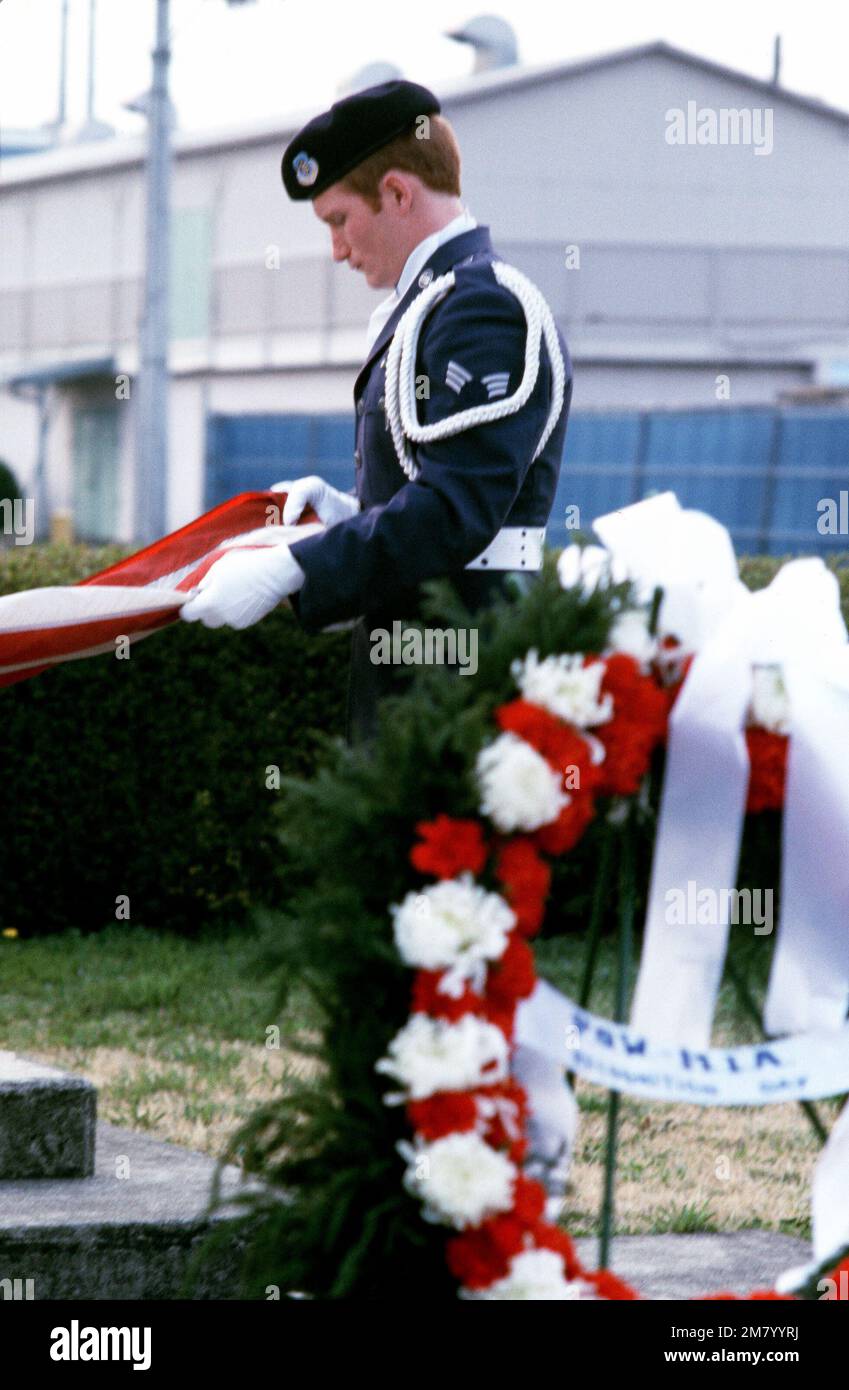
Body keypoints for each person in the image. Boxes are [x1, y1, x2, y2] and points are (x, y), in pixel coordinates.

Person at [181, 79, 573, 747]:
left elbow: (455, 512)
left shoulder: (481, 305)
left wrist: (299, 565)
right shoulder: (435, 302)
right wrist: (347, 512)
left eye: (338, 220)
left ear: (397, 193)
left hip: (463, 685)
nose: (336, 249)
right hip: (420, 682)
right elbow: (430, 496)